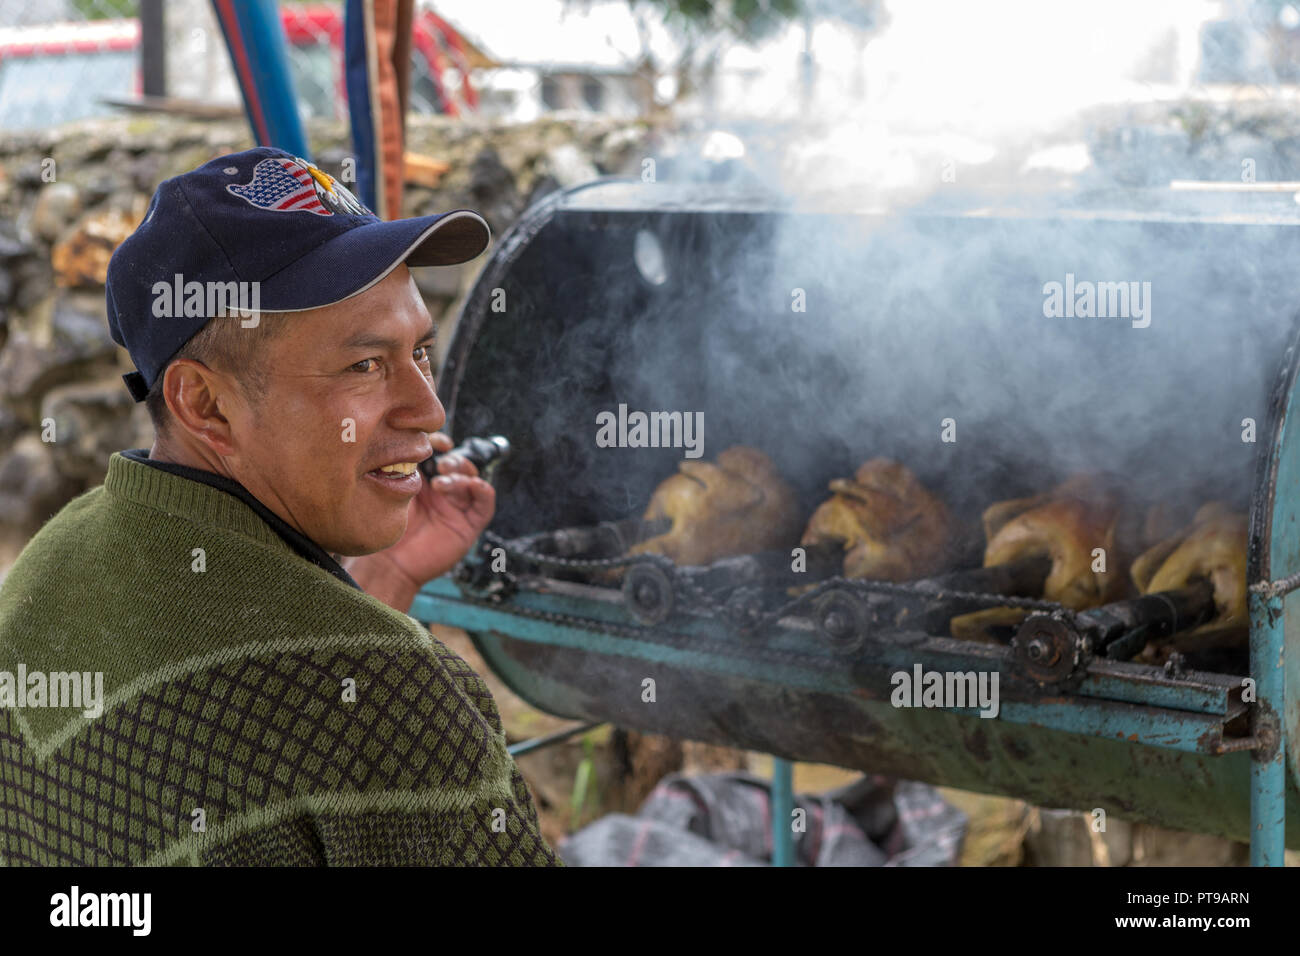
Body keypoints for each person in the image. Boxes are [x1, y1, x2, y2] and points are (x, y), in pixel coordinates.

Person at [0, 147, 563, 866]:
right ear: (205, 405)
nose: (428, 410)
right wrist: (376, 649)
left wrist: (376, 584)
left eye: (421, 351)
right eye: (364, 364)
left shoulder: (53, 562)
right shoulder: (402, 703)